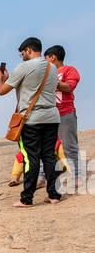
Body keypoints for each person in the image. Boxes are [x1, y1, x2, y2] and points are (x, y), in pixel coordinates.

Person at [0, 37, 61, 207]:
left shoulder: (24, 66)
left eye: (22, 53)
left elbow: (2, 90)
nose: (22, 56)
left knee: (30, 157)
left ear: (29, 50)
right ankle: (54, 195)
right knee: (49, 156)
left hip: (31, 119)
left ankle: (27, 199)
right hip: (52, 117)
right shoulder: (52, 68)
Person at [45, 46, 80, 193]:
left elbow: (69, 87)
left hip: (65, 113)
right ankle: (45, 178)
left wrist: (53, 81)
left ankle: (77, 176)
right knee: (46, 148)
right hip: (49, 114)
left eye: (46, 58)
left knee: (69, 146)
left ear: (53, 57)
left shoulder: (69, 70)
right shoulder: (45, 73)